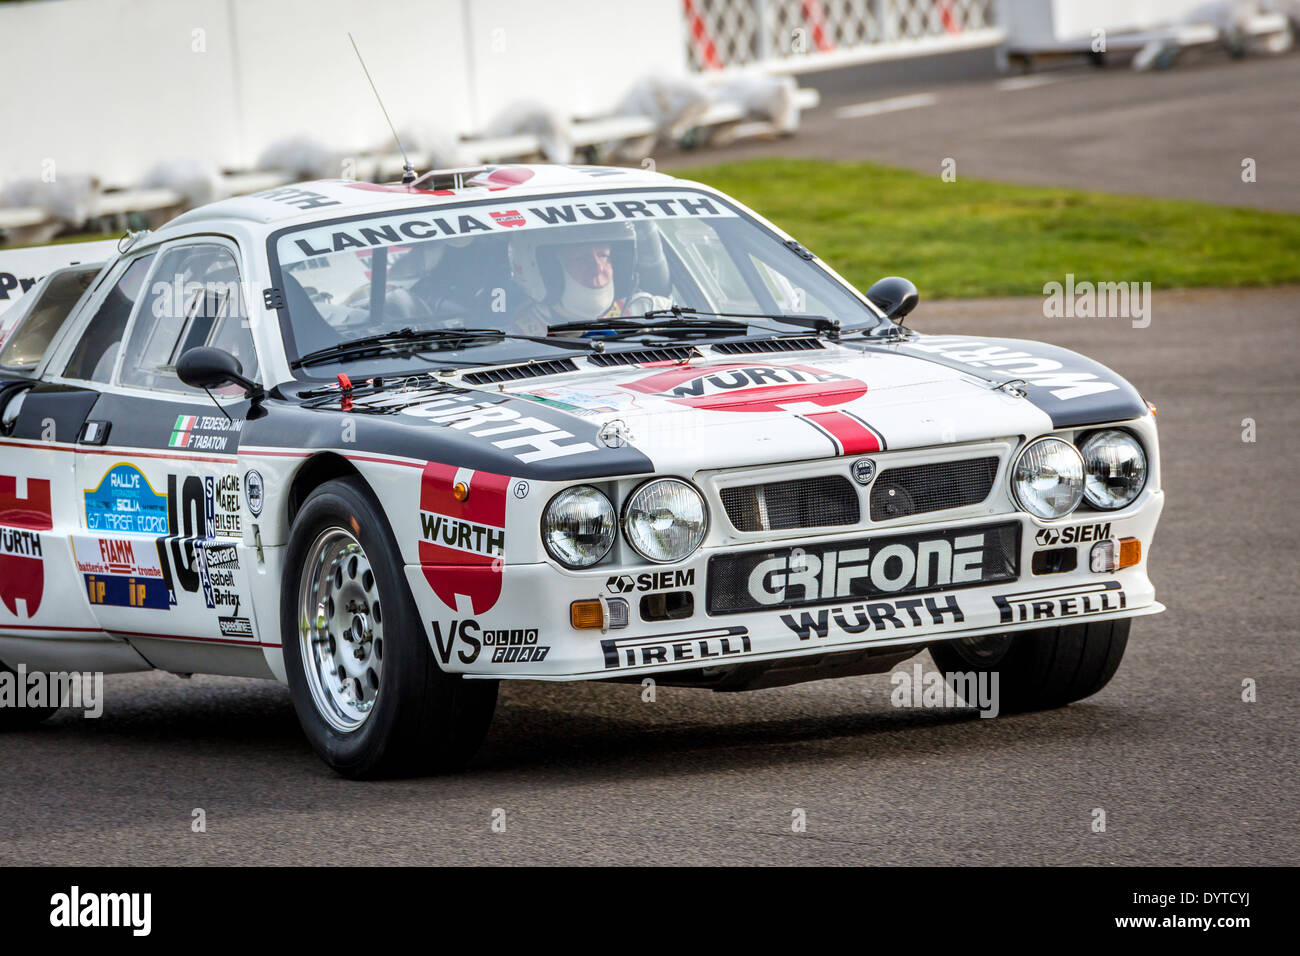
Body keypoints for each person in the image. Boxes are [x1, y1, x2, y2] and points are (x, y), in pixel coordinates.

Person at [507, 220, 671, 336]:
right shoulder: (521, 336)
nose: (598, 268)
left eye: (603, 256)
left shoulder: (649, 310)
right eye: (581, 259)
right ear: (550, 272)